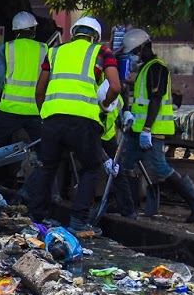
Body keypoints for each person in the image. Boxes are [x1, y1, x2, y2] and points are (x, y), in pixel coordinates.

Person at [22, 16, 121, 229]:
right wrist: (105, 105)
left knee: (48, 167)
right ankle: (77, 221)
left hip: (52, 119)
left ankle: (37, 218)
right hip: (84, 121)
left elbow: (39, 90)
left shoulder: (55, 52)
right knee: (91, 167)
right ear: (95, 37)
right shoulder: (102, 52)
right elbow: (115, 87)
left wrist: (45, 114)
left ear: (74, 33)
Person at [116, 29, 194, 222]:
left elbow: (156, 100)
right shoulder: (146, 68)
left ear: (143, 47)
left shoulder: (156, 68)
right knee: (123, 165)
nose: (133, 56)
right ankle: (126, 205)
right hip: (136, 129)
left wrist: (147, 129)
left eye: (135, 51)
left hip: (152, 131)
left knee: (160, 168)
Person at [0, 12, 47, 179]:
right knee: (45, 154)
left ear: (15, 31)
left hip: (8, 109)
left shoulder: (6, 49)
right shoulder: (45, 49)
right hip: (35, 111)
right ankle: (46, 189)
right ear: (33, 30)